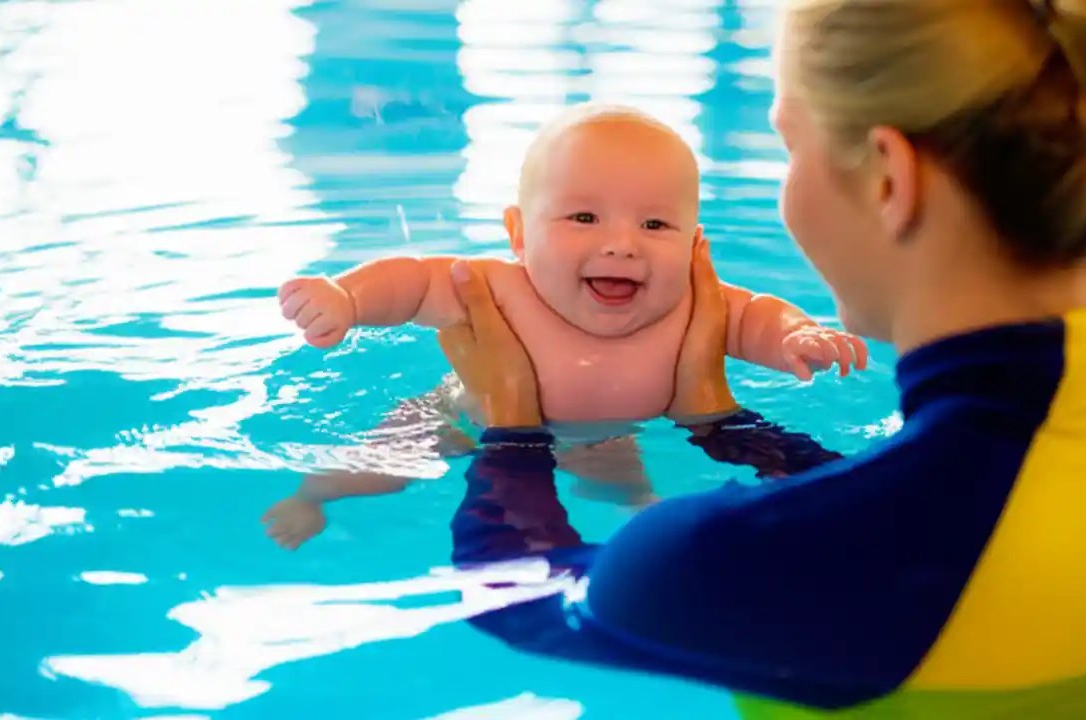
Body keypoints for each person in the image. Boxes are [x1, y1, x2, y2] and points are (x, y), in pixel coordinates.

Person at [437, 0, 1086, 717]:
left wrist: (512, 420)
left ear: (888, 177)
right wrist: (717, 414)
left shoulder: (705, 565)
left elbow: (517, 601)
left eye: (789, 144)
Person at [262, 102, 867, 550]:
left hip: (611, 437)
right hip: (458, 415)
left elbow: (754, 313)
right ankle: (314, 496)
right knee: (383, 463)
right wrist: (346, 296)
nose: (622, 245)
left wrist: (794, 334)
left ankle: (646, 531)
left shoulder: (687, 297)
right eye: (584, 216)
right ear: (519, 234)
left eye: (656, 226)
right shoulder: (497, 289)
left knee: (629, 493)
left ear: (693, 243)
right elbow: (415, 281)